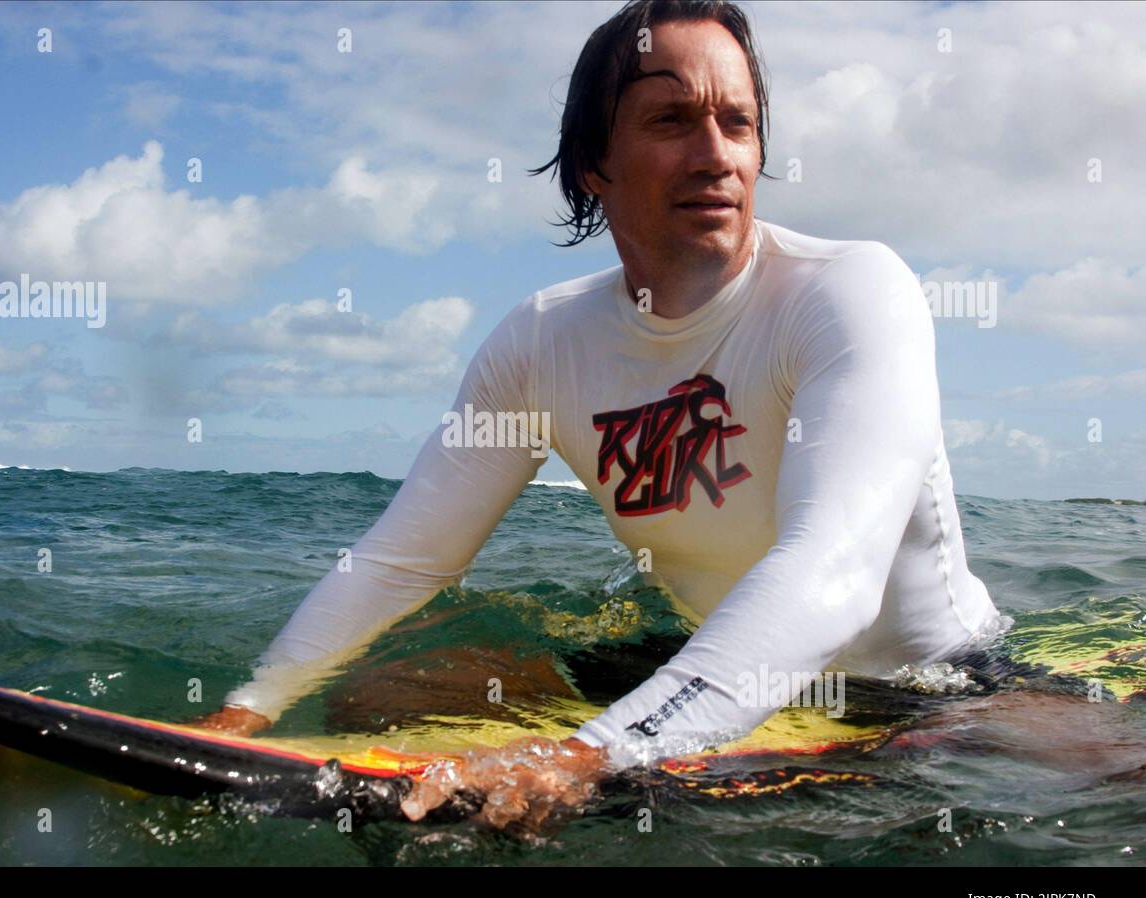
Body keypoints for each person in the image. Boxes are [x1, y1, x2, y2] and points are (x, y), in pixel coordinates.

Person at [189, 1, 1078, 829]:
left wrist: (588, 753)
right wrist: (250, 707)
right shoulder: (542, 343)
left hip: (929, 693)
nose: (716, 153)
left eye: (737, 122)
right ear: (593, 167)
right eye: (670, 120)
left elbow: (832, 569)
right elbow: (402, 557)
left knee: (1113, 779)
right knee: (388, 687)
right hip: (707, 668)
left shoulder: (848, 293)